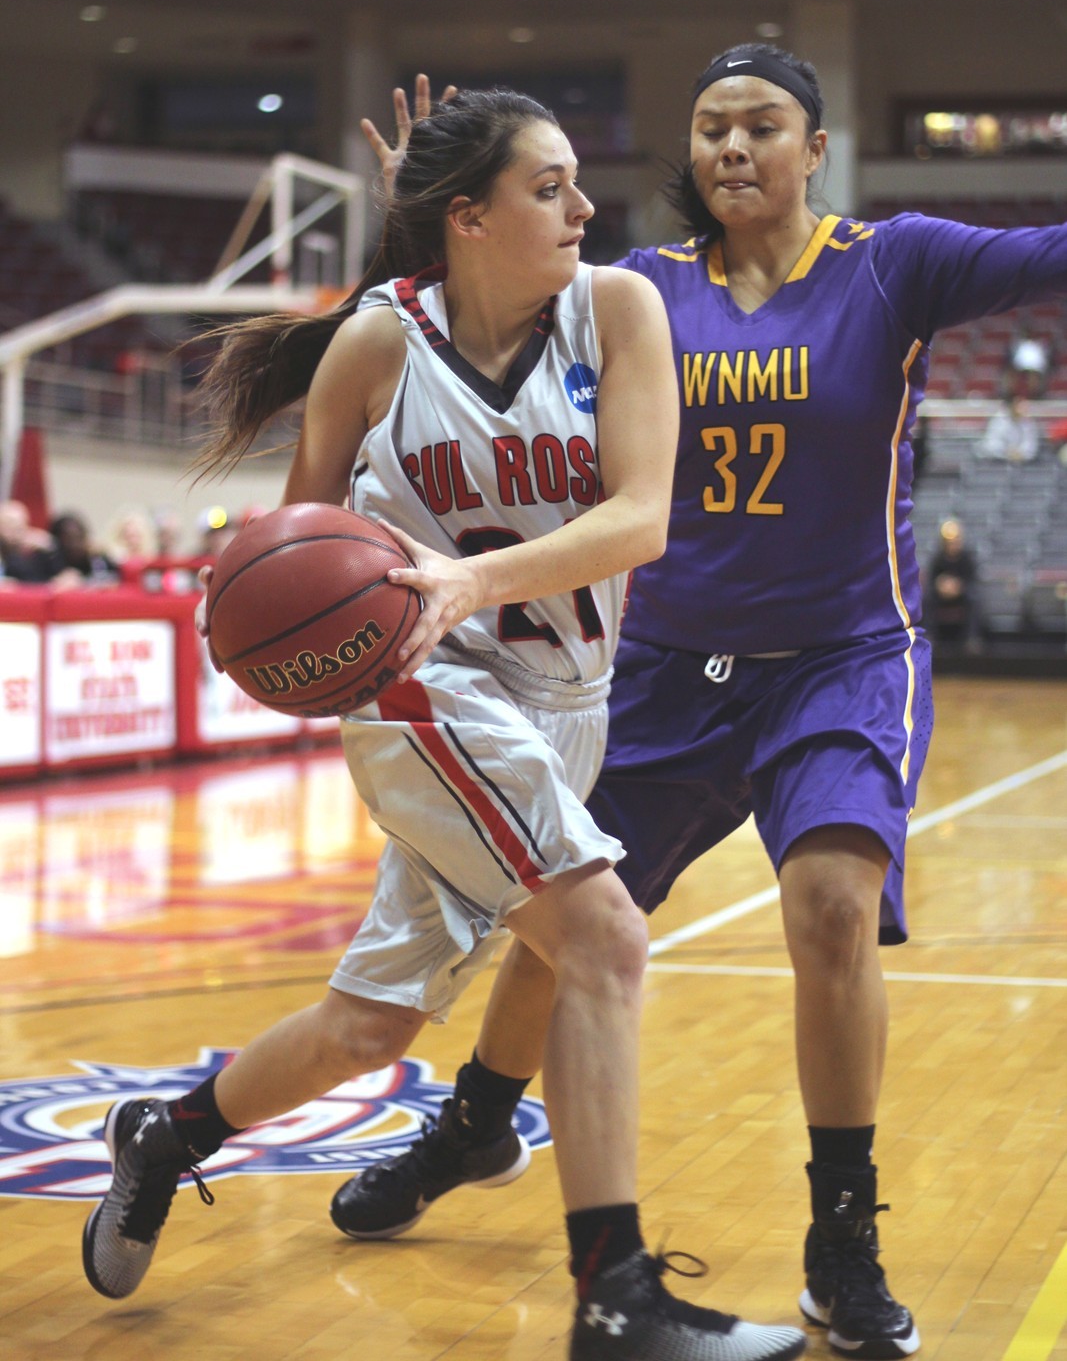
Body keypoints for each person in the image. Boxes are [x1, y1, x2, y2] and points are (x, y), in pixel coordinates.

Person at [341, 53, 1067, 1361]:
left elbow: (1046, 251)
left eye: (760, 126)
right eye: (709, 127)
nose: (731, 146)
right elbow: (476, 295)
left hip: (840, 655)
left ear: (814, 147)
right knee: (559, 926)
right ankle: (473, 1124)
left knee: (833, 909)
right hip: (663, 662)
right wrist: (418, 215)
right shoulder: (634, 289)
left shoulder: (890, 261)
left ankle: (840, 1238)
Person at [79, 88, 807, 1361]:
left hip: (568, 699)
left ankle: (168, 1132)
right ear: (466, 220)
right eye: (549, 188)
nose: (585, 208)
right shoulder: (376, 347)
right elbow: (295, 547)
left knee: (372, 1023)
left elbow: (642, 519)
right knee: (602, 938)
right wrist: (294, 627)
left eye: (578, 184)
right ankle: (614, 1297)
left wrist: (475, 574)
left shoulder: (617, 311)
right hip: (422, 691)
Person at [926, 518, 981, 649]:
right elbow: (932, 581)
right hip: (941, 596)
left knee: (974, 598)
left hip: (961, 595)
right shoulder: (938, 558)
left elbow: (972, 581)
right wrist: (941, 586)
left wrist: (958, 587)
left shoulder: (967, 558)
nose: (952, 545)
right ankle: (929, 637)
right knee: (927, 599)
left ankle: (971, 638)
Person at [977, 394, 1041, 462]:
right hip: (996, 462)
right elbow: (991, 443)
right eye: (1019, 405)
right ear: (1012, 406)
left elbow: (1031, 445)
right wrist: (1007, 452)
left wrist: (1021, 453)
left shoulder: (1028, 422)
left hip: (1023, 462)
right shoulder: (999, 419)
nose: (1024, 408)